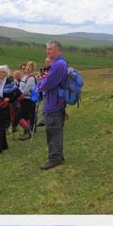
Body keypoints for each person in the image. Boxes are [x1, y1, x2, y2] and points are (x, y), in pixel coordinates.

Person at [39, 41, 68, 169]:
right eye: (47, 49)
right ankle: (58, 155)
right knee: (56, 130)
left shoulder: (58, 64)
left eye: (50, 49)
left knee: (52, 131)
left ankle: (54, 158)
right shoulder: (59, 63)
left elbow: (48, 83)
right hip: (56, 101)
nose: (47, 51)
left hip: (54, 103)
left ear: (57, 49)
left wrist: (41, 85)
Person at [0, 67, 18, 156]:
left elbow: (18, 93)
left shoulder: (10, 82)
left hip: (6, 107)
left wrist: (10, 99)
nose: (0, 73)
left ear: (6, 73)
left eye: (2, 72)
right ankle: (4, 145)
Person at [17, 62, 37, 141]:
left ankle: (28, 131)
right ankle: (26, 133)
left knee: (19, 117)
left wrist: (18, 95)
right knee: (25, 117)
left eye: (30, 67)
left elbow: (26, 90)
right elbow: (20, 87)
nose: (28, 68)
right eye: (27, 66)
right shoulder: (24, 77)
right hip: (23, 99)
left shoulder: (31, 78)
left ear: (32, 69)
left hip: (28, 100)